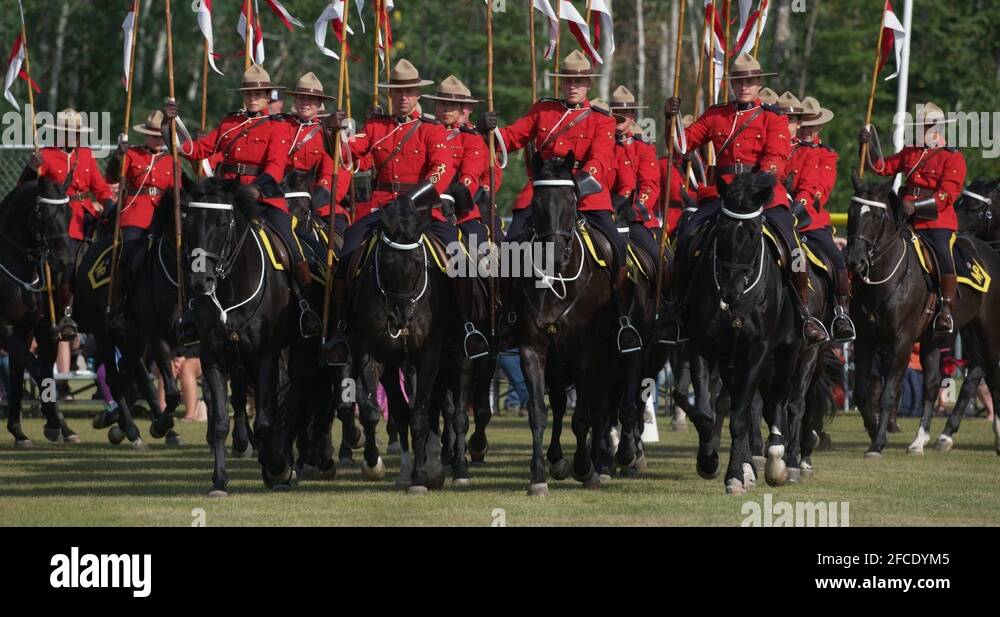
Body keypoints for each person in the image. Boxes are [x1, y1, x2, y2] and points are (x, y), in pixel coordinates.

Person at [479, 50, 641, 354]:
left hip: (586, 195)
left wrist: (569, 191)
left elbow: (600, 163)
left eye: (579, 81)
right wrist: (488, 130)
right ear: (561, 82)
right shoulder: (543, 110)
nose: (573, 85)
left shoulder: (601, 120)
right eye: (568, 80)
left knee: (617, 249)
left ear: (588, 85)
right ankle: (510, 317)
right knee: (511, 245)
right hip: (540, 194)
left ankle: (620, 319)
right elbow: (512, 138)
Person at [662, 53, 828, 347]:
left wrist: (753, 186)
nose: (744, 86)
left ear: (758, 83)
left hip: (763, 193)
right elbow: (681, 146)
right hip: (723, 194)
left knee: (793, 245)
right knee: (687, 236)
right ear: (732, 84)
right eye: (739, 81)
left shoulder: (773, 118)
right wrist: (670, 120)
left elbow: (775, 158)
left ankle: (804, 313)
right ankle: (676, 310)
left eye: (750, 81)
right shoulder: (715, 115)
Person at [163, 64, 323, 339]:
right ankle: (191, 309)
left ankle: (306, 305)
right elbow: (195, 150)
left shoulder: (278, 127)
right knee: (196, 243)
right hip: (226, 198)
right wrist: (170, 127)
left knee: (290, 244)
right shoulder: (228, 124)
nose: (252, 98)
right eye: (248, 93)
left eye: (258, 94)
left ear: (267, 96)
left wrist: (256, 191)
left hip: (261, 199)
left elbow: (274, 167)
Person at [321, 59, 460, 364]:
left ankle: (464, 328)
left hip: (422, 210)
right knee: (347, 255)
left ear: (418, 95)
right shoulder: (376, 127)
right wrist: (333, 133)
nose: (404, 97)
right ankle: (342, 330)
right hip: (381, 208)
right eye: (398, 92)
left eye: (409, 91)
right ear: (391, 96)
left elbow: (442, 169)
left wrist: (413, 200)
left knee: (458, 257)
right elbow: (348, 154)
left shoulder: (431, 130)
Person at [859, 102, 965, 334]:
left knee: (941, 254)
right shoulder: (912, 150)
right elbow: (881, 167)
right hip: (905, 217)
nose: (921, 130)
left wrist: (915, 206)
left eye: (925, 126)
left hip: (935, 221)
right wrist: (866, 146)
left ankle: (946, 309)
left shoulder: (952, 157)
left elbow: (947, 194)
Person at [18, 109, 116, 340]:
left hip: (88, 218)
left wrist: (111, 209)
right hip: (61, 222)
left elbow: (100, 187)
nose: (74, 136)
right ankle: (67, 314)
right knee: (68, 267)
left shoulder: (86, 154)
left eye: (76, 132)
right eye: (69, 132)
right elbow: (25, 187)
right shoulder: (46, 155)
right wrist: (31, 168)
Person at [786, 96, 855, 342]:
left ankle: (840, 313)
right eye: (803, 122)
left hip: (809, 220)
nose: (806, 128)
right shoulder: (785, 148)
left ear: (819, 128)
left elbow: (820, 190)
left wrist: (797, 206)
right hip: (780, 212)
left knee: (837, 259)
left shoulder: (825, 155)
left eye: (812, 124)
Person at [103, 110, 176, 329]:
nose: (157, 139)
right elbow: (112, 177)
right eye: (153, 135)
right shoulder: (132, 154)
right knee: (127, 255)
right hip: (135, 213)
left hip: (162, 216)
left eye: (160, 135)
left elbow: (179, 189)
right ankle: (122, 301)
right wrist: (118, 157)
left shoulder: (172, 159)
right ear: (145, 135)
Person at [279, 72, 351, 242]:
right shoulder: (281, 126)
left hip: (317, 204)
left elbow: (330, 176)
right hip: (279, 198)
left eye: (310, 99)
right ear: (295, 101)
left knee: (342, 247)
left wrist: (312, 202)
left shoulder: (328, 133)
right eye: (301, 98)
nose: (305, 103)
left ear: (319, 104)